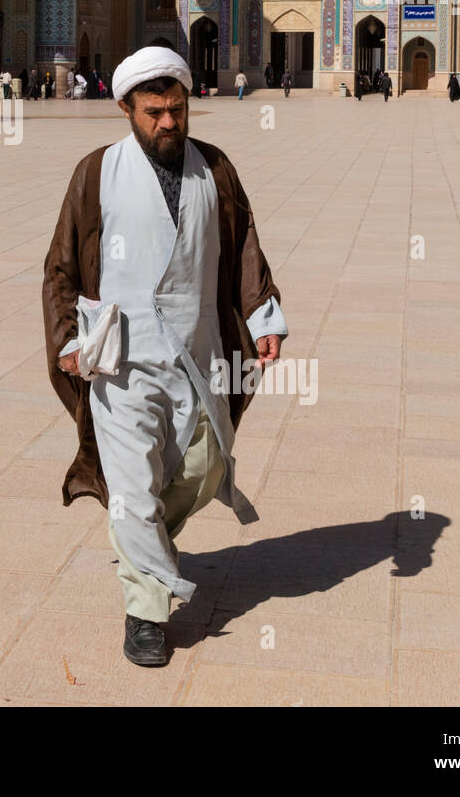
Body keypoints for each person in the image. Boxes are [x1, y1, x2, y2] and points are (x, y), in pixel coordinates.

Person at [42, 45, 287, 669]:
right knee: (130, 488)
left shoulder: (216, 169)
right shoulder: (95, 172)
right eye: (154, 113)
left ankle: (142, 542)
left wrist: (262, 316)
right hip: (119, 362)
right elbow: (62, 266)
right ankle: (146, 612)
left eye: (178, 109)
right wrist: (69, 339)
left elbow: (243, 245)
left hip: (197, 354)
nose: (169, 124)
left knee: (205, 466)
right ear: (125, 108)